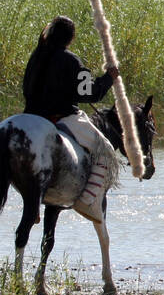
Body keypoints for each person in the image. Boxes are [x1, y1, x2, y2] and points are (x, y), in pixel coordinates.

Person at [22, 15, 121, 219]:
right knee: (106, 151)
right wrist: (108, 78)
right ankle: (87, 202)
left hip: (29, 117)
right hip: (61, 118)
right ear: (71, 38)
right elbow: (89, 93)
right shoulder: (71, 60)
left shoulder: (36, 56)